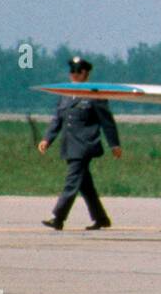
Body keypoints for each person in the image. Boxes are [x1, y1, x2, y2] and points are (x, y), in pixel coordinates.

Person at [38, 56, 122, 230]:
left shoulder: (94, 95)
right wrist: (47, 139)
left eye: (78, 71)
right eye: (72, 71)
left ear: (85, 73)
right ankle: (101, 218)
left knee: (72, 180)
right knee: (85, 184)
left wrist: (114, 144)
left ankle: (58, 217)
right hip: (69, 145)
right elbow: (58, 119)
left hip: (85, 145)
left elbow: (107, 121)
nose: (74, 75)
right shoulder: (65, 94)